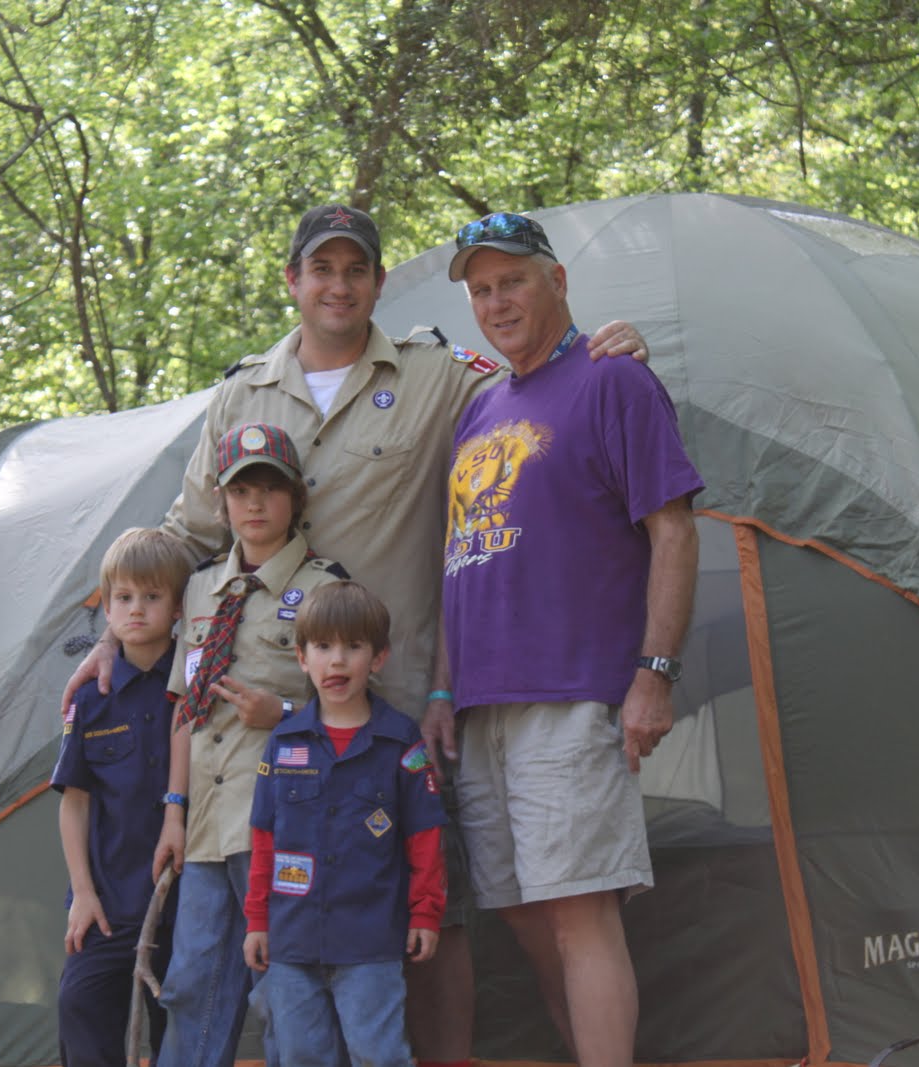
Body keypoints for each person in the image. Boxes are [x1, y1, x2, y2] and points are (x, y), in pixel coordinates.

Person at [64, 203, 651, 1067]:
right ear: (293, 280)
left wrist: (609, 345)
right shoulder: (242, 394)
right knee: (268, 933)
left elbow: (538, 390)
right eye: (321, 268)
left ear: (378, 282)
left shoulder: (435, 376)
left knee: (432, 917)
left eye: (355, 269)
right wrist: (112, 634)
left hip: (398, 710)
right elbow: (187, 535)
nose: (337, 285)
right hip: (258, 730)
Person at [425, 211, 704, 1067]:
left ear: (558, 281)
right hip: (480, 706)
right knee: (520, 911)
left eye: (512, 280)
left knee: (581, 910)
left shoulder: (614, 381)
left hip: (572, 692)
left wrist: (654, 674)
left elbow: (673, 530)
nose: (497, 301)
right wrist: (441, 688)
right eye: (481, 290)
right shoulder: (479, 410)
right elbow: (461, 563)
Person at [152, 421, 348, 1067]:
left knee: (286, 988)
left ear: (296, 497)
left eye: (270, 488)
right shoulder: (200, 586)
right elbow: (184, 706)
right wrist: (174, 812)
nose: (255, 503)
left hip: (285, 820)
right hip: (207, 827)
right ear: (221, 502)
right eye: (240, 491)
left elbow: (350, 714)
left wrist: (281, 712)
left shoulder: (326, 588)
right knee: (191, 986)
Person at [242, 581, 447, 1067]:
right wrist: (257, 921)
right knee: (300, 1055)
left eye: (353, 646)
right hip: (292, 939)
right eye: (323, 646)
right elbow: (264, 839)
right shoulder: (283, 743)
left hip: (371, 942)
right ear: (302, 658)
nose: (337, 661)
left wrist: (425, 913)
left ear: (378, 658)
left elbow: (425, 838)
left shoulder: (401, 742)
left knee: (378, 1054)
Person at [52, 527, 196, 1067]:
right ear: (107, 607)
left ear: (177, 608)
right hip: (108, 902)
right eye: (123, 597)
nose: (136, 609)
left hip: (183, 900)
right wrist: (82, 894)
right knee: (80, 1005)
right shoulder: (91, 698)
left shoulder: (194, 683)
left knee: (177, 1026)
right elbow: (74, 802)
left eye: (152, 596)